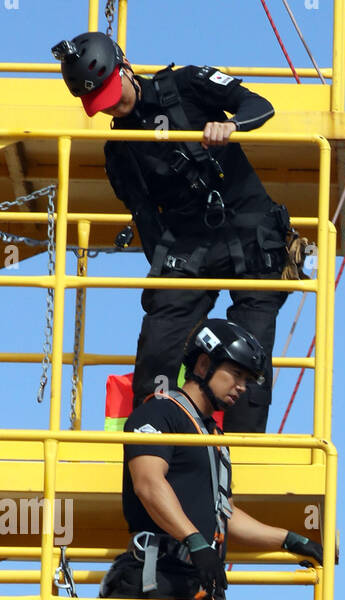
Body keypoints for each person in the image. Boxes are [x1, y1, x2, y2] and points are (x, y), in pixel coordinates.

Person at [64, 320, 323, 600]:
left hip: (201, 594)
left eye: (248, 379)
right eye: (236, 374)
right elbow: (148, 483)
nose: (242, 387)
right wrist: (194, 540)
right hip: (154, 580)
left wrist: (289, 539)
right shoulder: (155, 416)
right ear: (203, 364)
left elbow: (223, 514)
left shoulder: (211, 440)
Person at [52, 31, 294, 433]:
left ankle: (241, 462)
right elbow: (147, 220)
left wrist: (229, 126)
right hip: (189, 245)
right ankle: (155, 446)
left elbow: (260, 105)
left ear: (125, 68)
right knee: (157, 351)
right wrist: (168, 273)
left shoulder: (187, 85)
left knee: (249, 358)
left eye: (113, 91)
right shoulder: (120, 152)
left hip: (252, 234)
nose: (113, 104)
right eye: (101, 103)